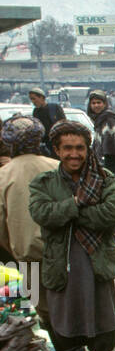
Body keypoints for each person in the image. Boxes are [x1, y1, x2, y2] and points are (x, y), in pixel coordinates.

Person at [29, 120, 115, 351]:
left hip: (97, 267)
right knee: (65, 332)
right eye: (67, 148)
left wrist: (71, 209)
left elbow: (111, 214)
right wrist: (75, 204)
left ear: (87, 149)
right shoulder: (43, 183)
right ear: (57, 150)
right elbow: (42, 213)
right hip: (63, 269)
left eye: (80, 147)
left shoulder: (105, 178)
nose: (74, 154)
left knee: (104, 333)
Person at [0, 116, 56, 282]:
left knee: (35, 304)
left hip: (25, 257)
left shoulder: (4, 175)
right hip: (60, 255)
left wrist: (14, 250)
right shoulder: (58, 167)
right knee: (60, 305)